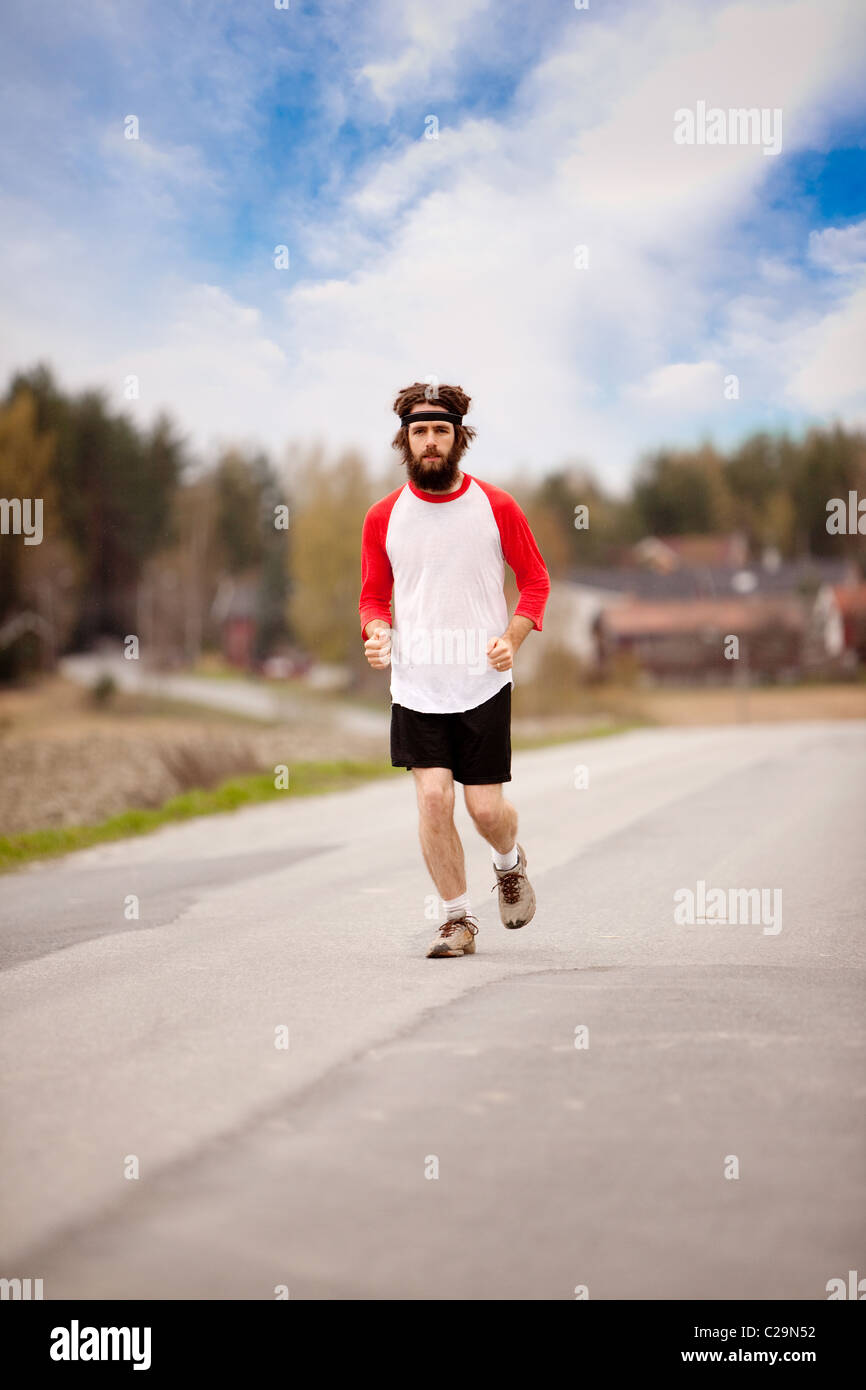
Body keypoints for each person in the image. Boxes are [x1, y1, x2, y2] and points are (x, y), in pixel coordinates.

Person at [358, 381, 550, 958]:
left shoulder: (497, 507)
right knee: (435, 799)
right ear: (405, 441)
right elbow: (372, 598)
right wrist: (375, 632)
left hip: (481, 684)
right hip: (417, 687)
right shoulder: (383, 517)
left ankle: (509, 862)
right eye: (420, 432)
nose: (431, 442)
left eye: (442, 430)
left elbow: (535, 582)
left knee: (486, 810)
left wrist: (512, 637)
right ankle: (456, 920)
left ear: (459, 437)